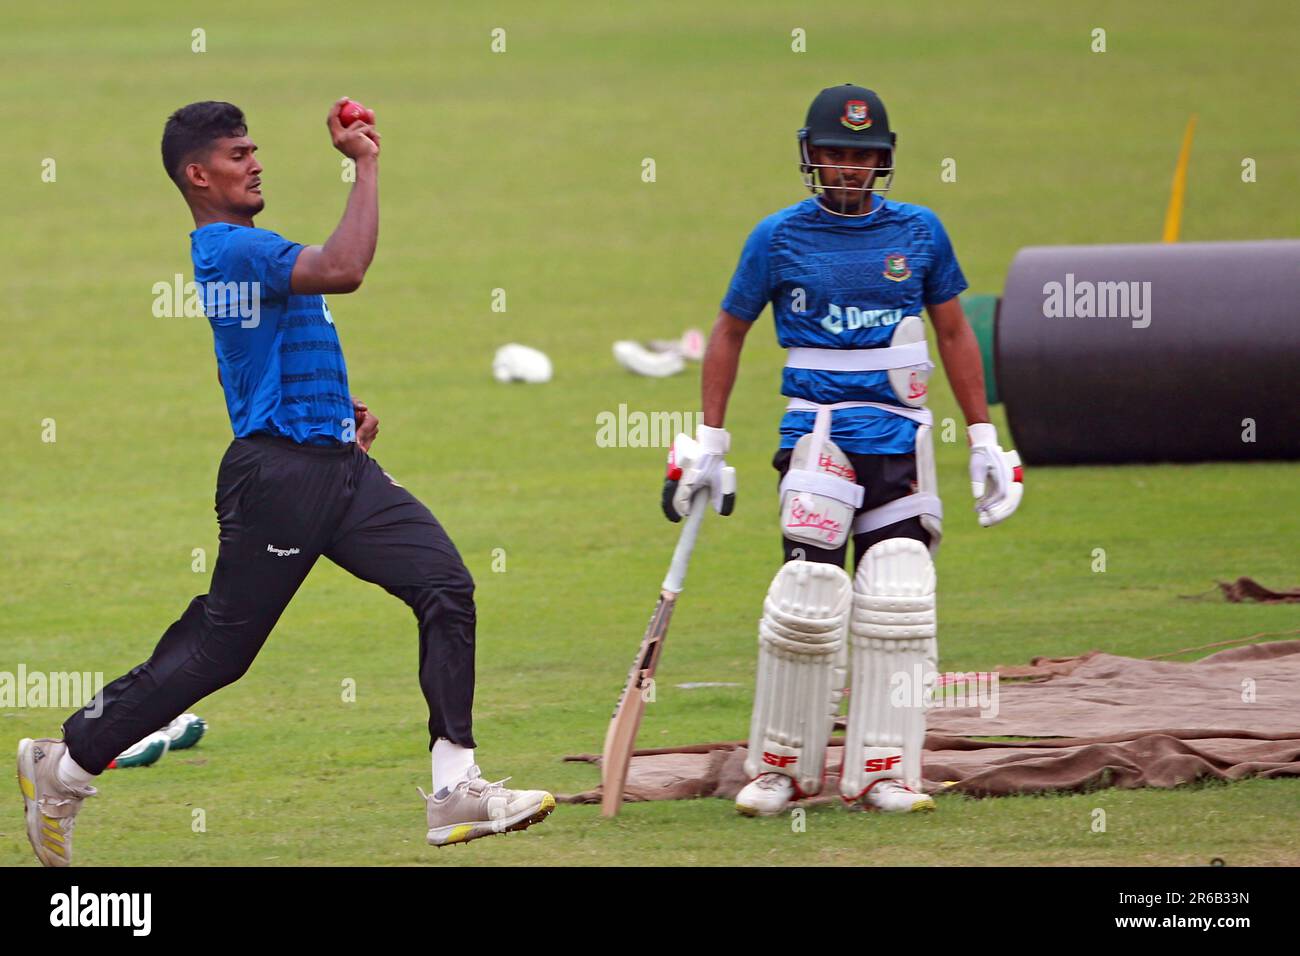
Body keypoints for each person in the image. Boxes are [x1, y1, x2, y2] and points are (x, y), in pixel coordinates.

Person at [17, 99, 554, 866]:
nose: (256, 161)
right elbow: (347, 269)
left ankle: (455, 788)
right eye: (239, 155)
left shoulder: (252, 250)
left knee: (445, 585)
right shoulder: (231, 248)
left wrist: (339, 413)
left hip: (337, 466)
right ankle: (64, 765)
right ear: (198, 175)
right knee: (218, 651)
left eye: (255, 149)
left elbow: (285, 339)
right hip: (278, 480)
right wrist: (365, 163)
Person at [663, 84, 1023, 817]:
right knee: (808, 600)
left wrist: (985, 436)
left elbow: (954, 331)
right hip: (816, 438)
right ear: (811, 156)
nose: (849, 167)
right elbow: (729, 331)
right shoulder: (777, 237)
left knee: (897, 599)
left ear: (882, 161)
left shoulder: (920, 232)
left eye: (864, 155)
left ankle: (883, 773)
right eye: (836, 153)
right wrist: (710, 438)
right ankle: (782, 771)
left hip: (899, 440)